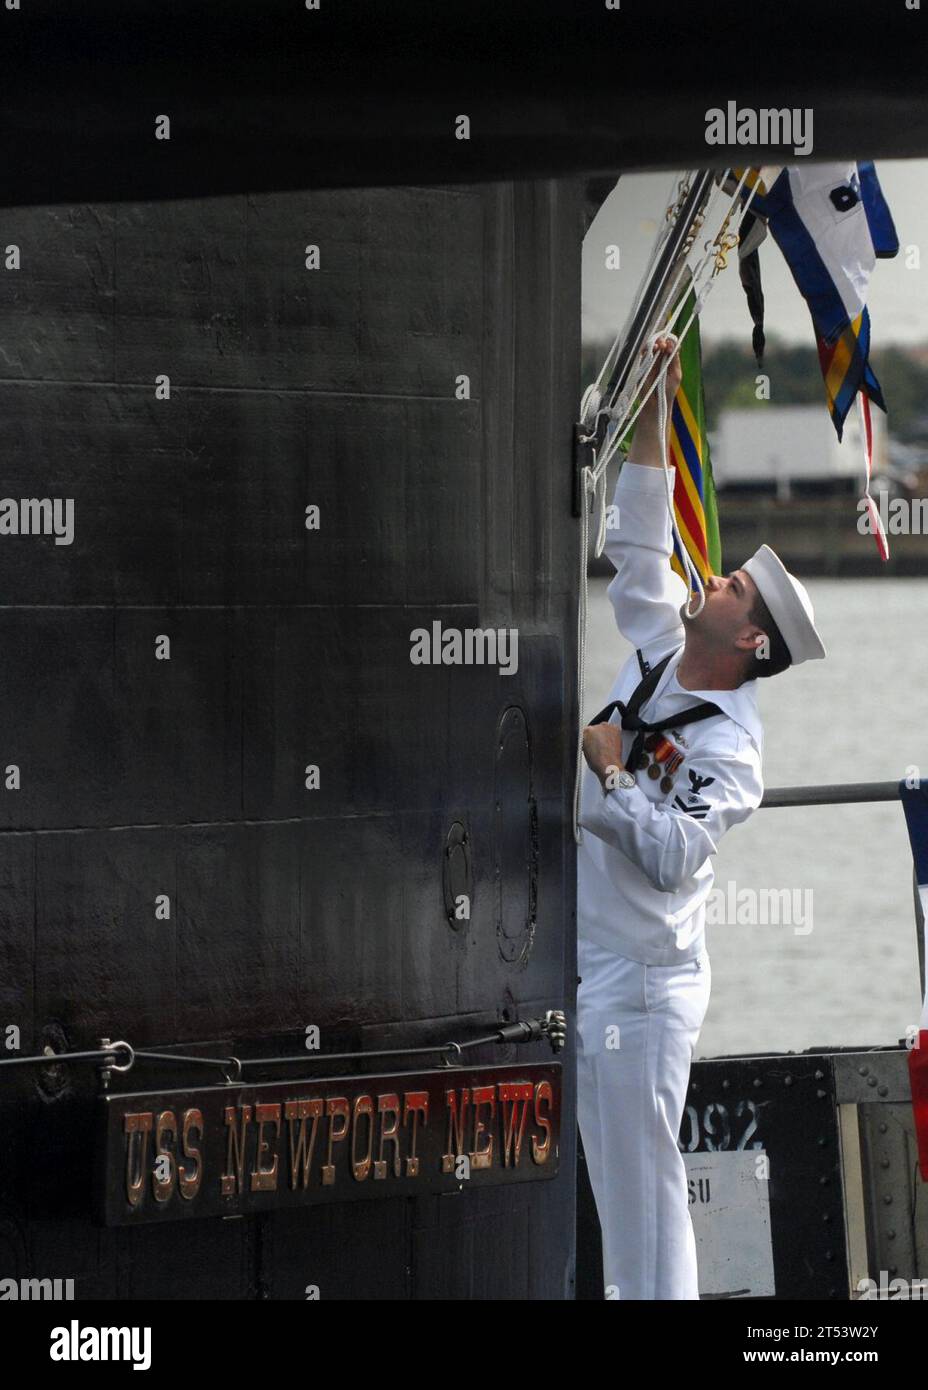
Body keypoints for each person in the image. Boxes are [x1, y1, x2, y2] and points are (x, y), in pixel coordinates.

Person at [576, 335, 826, 1300]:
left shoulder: (731, 750)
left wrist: (610, 778)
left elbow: (677, 852)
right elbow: (639, 541)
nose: (713, 579)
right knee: (622, 1197)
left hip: (642, 986)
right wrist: (656, 401)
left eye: (732, 587)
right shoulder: (660, 646)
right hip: (594, 958)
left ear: (752, 638)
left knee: (643, 1210)